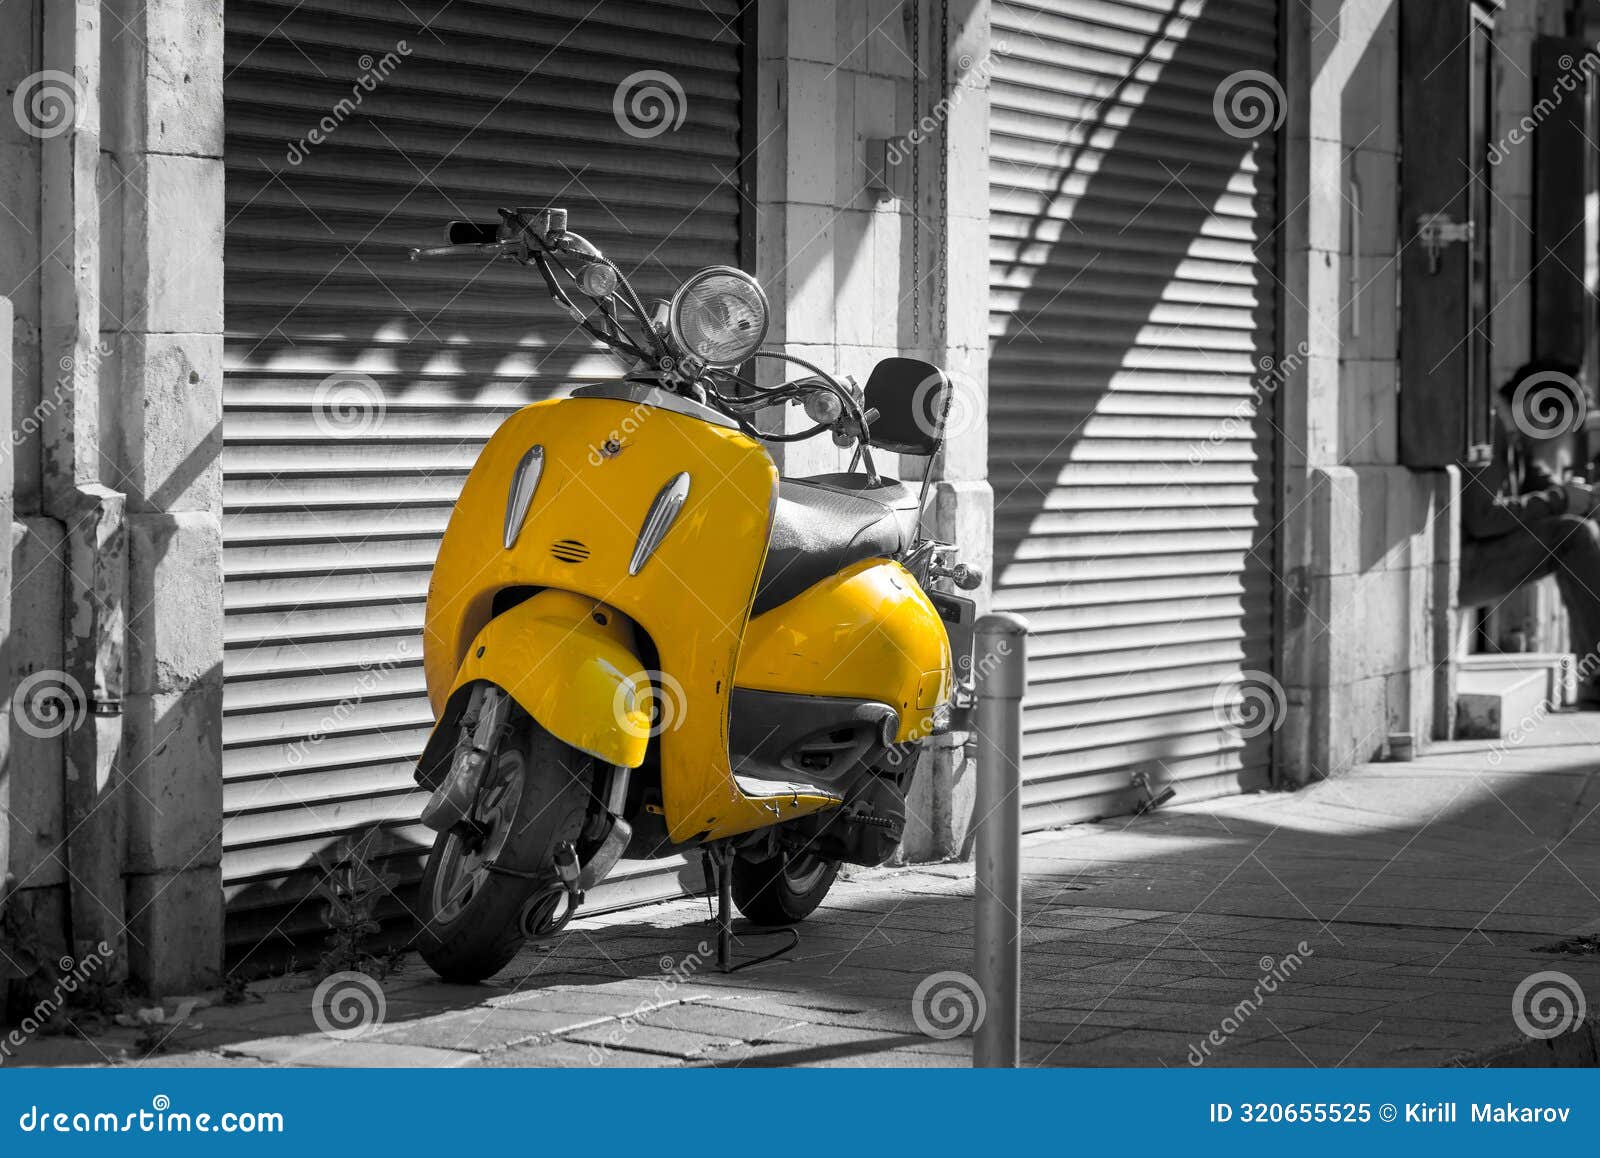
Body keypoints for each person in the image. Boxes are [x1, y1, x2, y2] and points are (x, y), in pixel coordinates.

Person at [1459, 359, 1600, 707]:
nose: (1561, 441)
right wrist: (1559, 498)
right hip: (1463, 567)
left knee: (1584, 529)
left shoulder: (1516, 436)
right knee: (1574, 536)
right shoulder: (1491, 426)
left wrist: (1578, 497)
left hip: (1484, 560)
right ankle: (1597, 677)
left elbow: (1543, 486)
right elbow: (1483, 518)